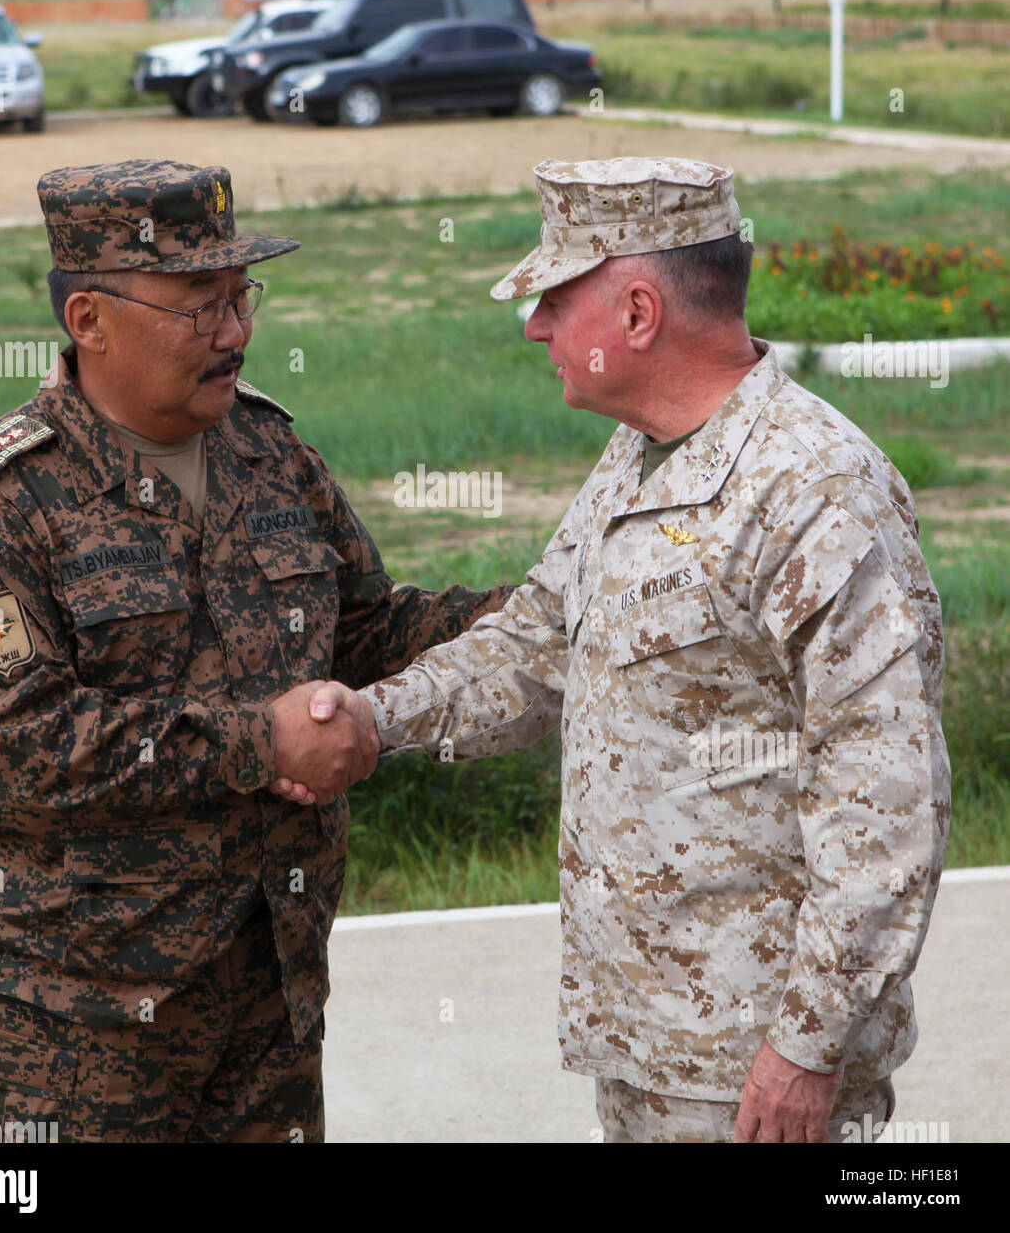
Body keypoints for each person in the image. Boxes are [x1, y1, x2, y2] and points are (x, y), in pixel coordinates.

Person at [293, 156, 951, 1144]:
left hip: (754, 1077)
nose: (534, 327)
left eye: (554, 299)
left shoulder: (812, 492)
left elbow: (883, 802)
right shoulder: (642, 456)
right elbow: (534, 647)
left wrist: (806, 1049)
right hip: (650, 1050)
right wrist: (373, 717)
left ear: (637, 313)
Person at [0, 157, 512, 1144]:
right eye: (199, 306)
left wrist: (545, 610)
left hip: (268, 1011)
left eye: (242, 297)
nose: (233, 331)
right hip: (70, 1040)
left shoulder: (271, 455)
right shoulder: (1, 501)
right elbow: (21, 749)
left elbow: (366, 628)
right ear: (89, 321)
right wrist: (260, 743)